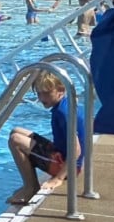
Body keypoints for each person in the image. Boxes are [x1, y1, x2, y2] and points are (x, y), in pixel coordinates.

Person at [6, 71, 86, 205]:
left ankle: (31, 187)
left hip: (67, 166)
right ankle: (30, 184)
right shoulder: (66, 104)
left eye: (46, 93)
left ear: (61, 90)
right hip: (62, 154)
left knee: (15, 140)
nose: (41, 98)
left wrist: (58, 178)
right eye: (38, 93)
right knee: (16, 131)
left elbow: (76, 149)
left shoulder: (63, 113)